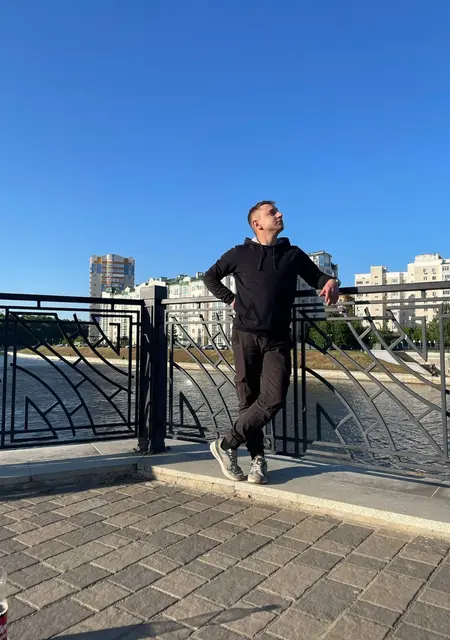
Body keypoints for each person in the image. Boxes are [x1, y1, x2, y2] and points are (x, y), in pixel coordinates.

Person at [203, 200, 340, 484]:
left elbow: (316, 276)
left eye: (277, 211)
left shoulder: (292, 253)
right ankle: (257, 460)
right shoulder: (239, 253)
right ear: (257, 224)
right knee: (248, 399)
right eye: (272, 213)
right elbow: (210, 277)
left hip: (278, 338)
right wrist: (231, 300)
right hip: (245, 335)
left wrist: (330, 282)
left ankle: (226, 444)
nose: (280, 214)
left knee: (274, 397)